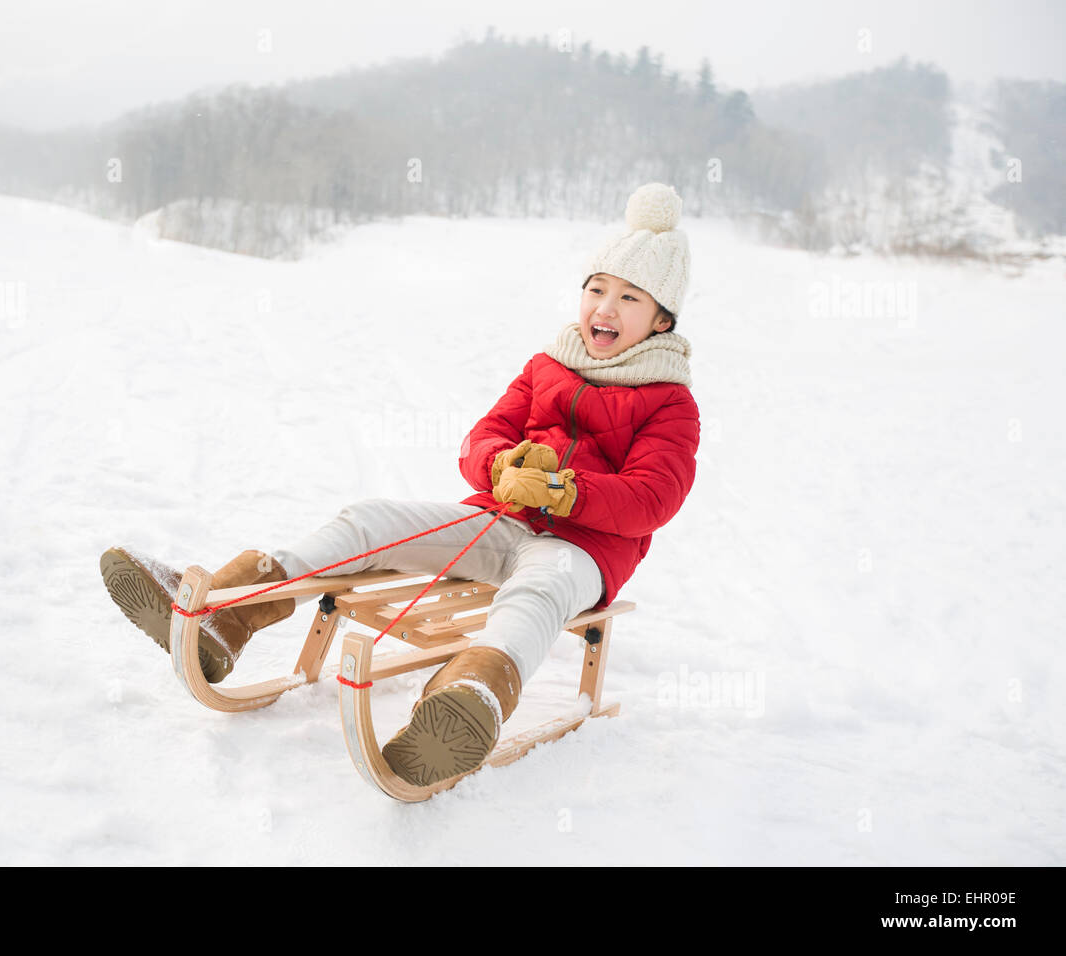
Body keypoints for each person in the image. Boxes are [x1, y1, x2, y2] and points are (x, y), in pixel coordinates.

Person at [101, 182, 701, 787]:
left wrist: (567, 494)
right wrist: (499, 467)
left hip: (583, 551)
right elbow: (481, 438)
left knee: (537, 592)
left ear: (661, 318)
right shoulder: (548, 364)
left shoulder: (671, 401)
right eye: (597, 289)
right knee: (371, 520)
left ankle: (471, 700)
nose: (604, 307)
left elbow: (654, 497)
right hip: (499, 521)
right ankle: (226, 617)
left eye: (629, 297)